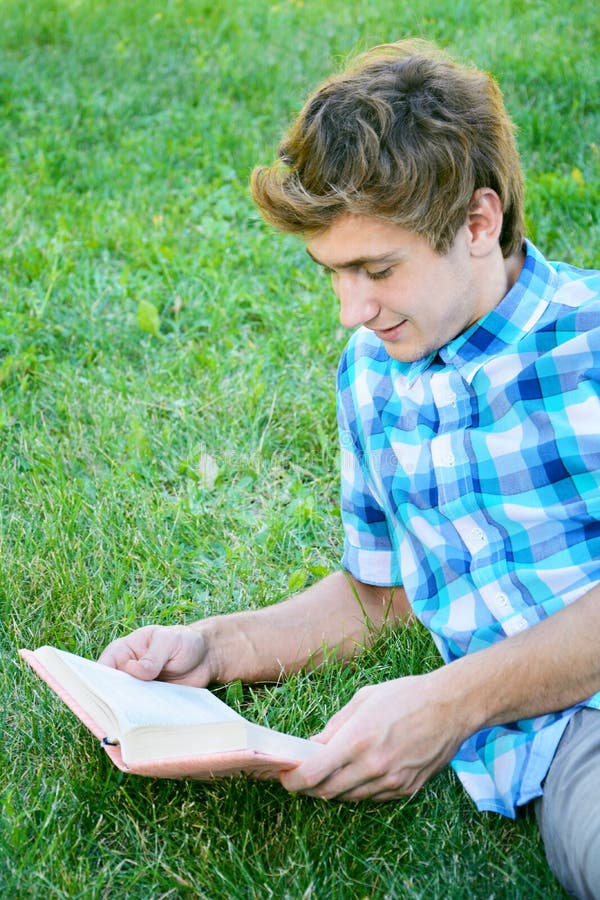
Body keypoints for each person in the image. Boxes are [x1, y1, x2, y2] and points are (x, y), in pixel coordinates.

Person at [99, 40, 600, 898]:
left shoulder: (588, 343)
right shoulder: (371, 376)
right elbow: (380, 594)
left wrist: (452, 702)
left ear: (478, 224)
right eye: (332, 273)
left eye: (377, 269)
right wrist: (215, 647)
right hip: (570, 757)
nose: (353, 310)